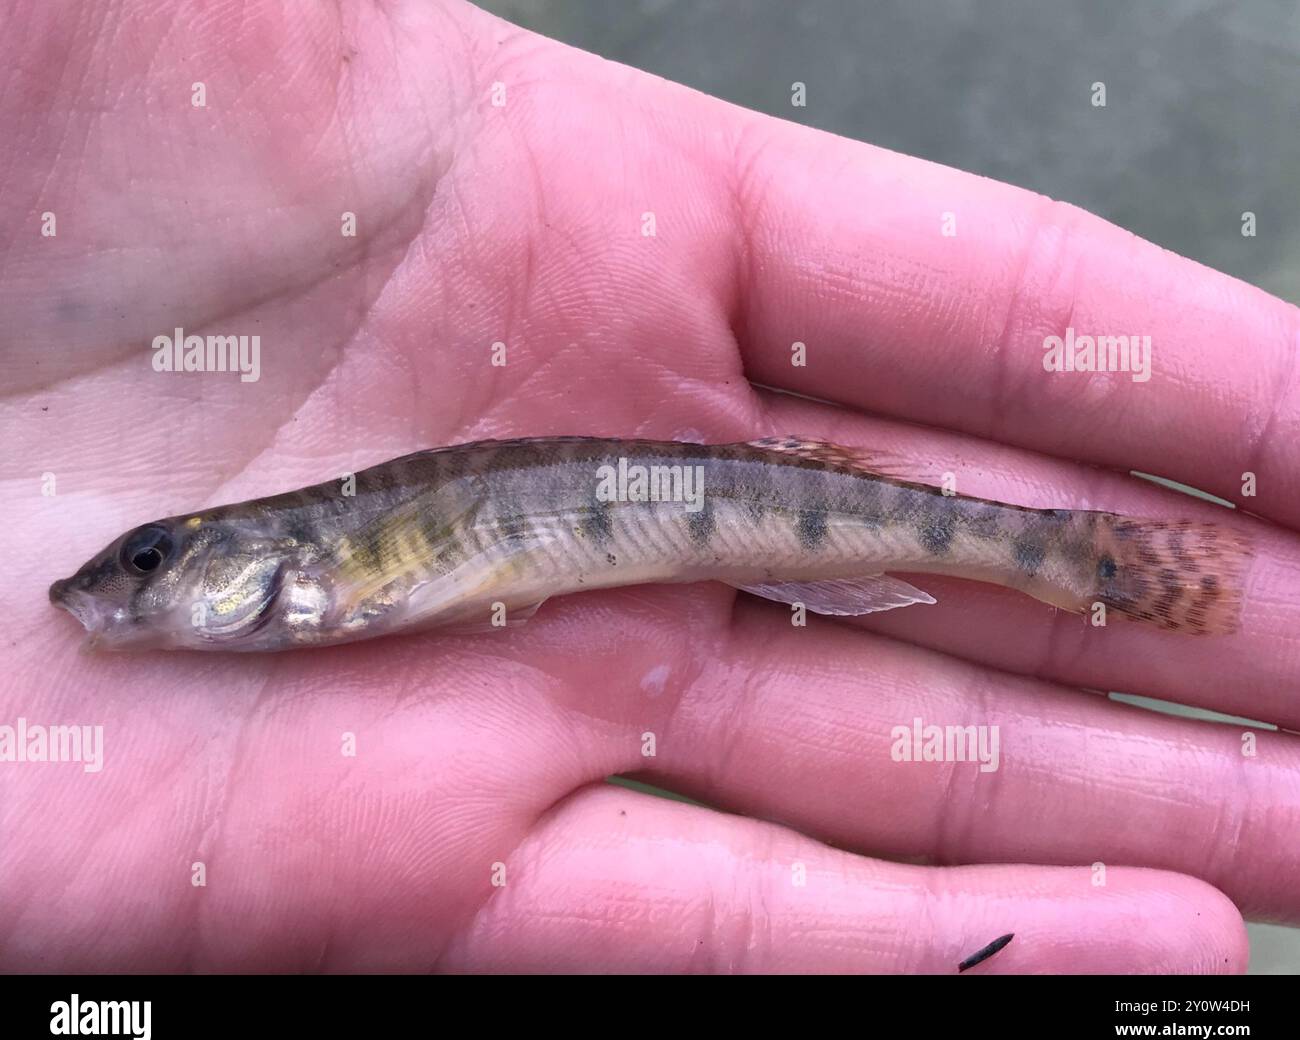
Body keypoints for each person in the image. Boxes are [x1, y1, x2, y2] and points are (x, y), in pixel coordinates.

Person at [3, 0, 1296, 973]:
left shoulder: (326, 572)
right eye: (143, 563)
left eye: (152, 562)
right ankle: (1077, 558)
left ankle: (1073, 556)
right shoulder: (307, 572)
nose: (122, 588)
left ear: (239, 555)